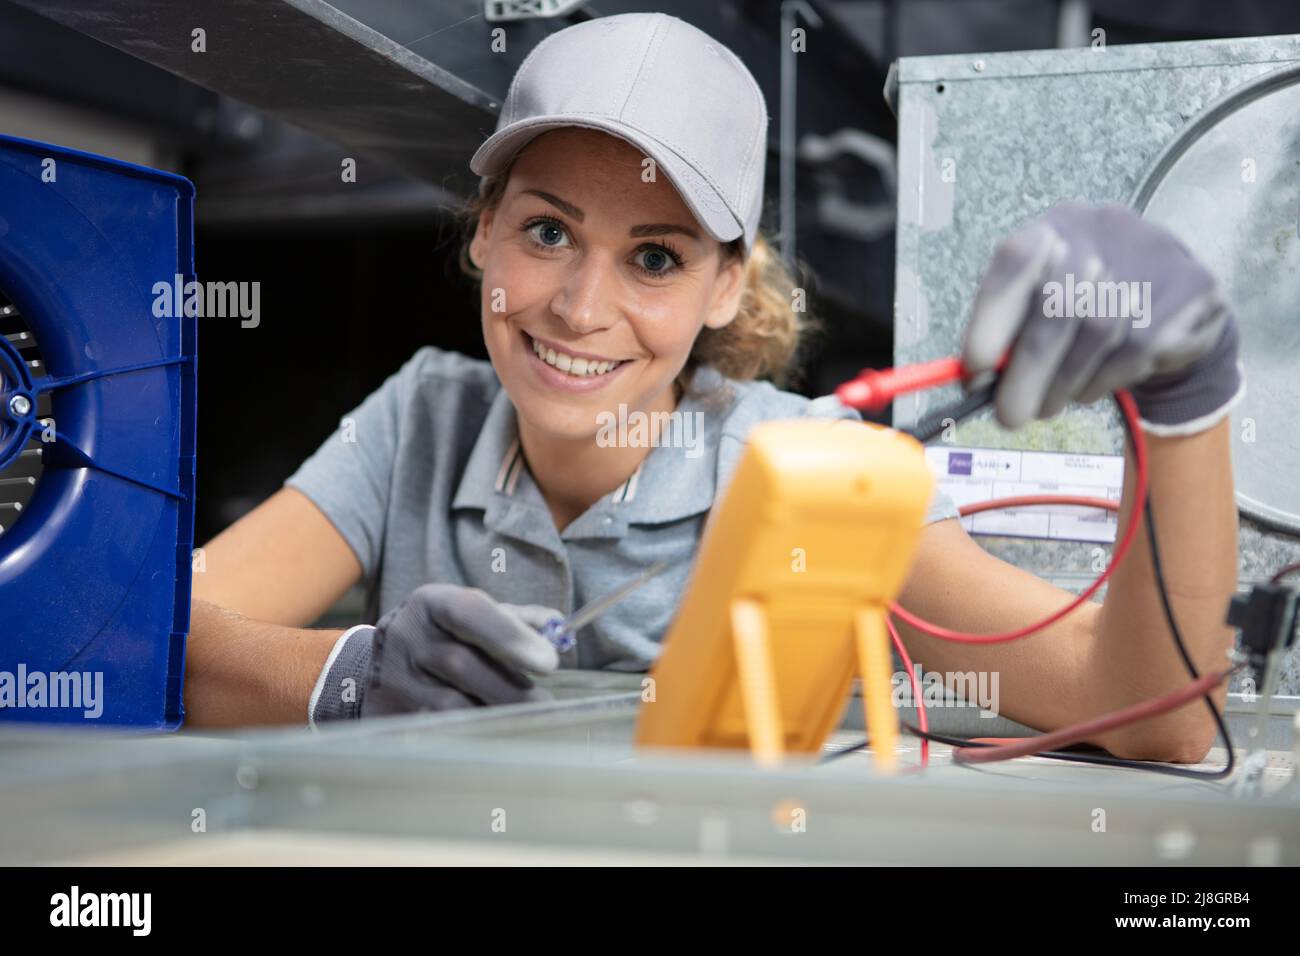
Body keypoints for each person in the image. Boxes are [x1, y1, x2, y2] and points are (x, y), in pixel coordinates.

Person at [186, 13, 1244, 764]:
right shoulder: (422, 416)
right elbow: (146, 629)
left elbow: (1153, 716)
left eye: (654, 257)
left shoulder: (815, 475)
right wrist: (351, 673)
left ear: (725, 286)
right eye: (546, 231)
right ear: (484, 233)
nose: (578, 305)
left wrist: (1187, 400)